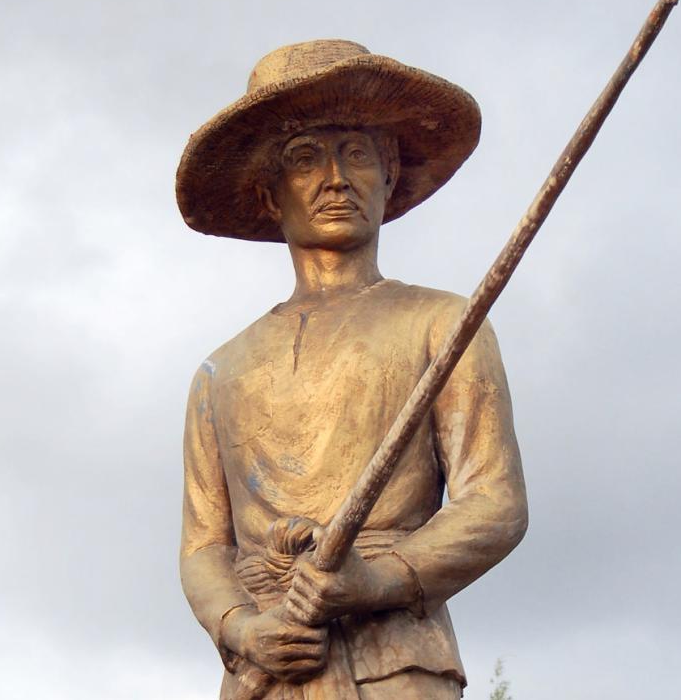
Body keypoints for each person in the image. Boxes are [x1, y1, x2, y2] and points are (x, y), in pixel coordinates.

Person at [175, 40, 528, 699]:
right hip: (269, 673)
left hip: (398, 666)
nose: (335, 178)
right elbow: (203, 548)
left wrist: (379, 578)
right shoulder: (219, 372)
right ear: (268, 191)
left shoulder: (444, 323)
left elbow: (495, 502)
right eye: (306, 158)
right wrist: (243, 629)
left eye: (357, 153)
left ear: (389, 172)